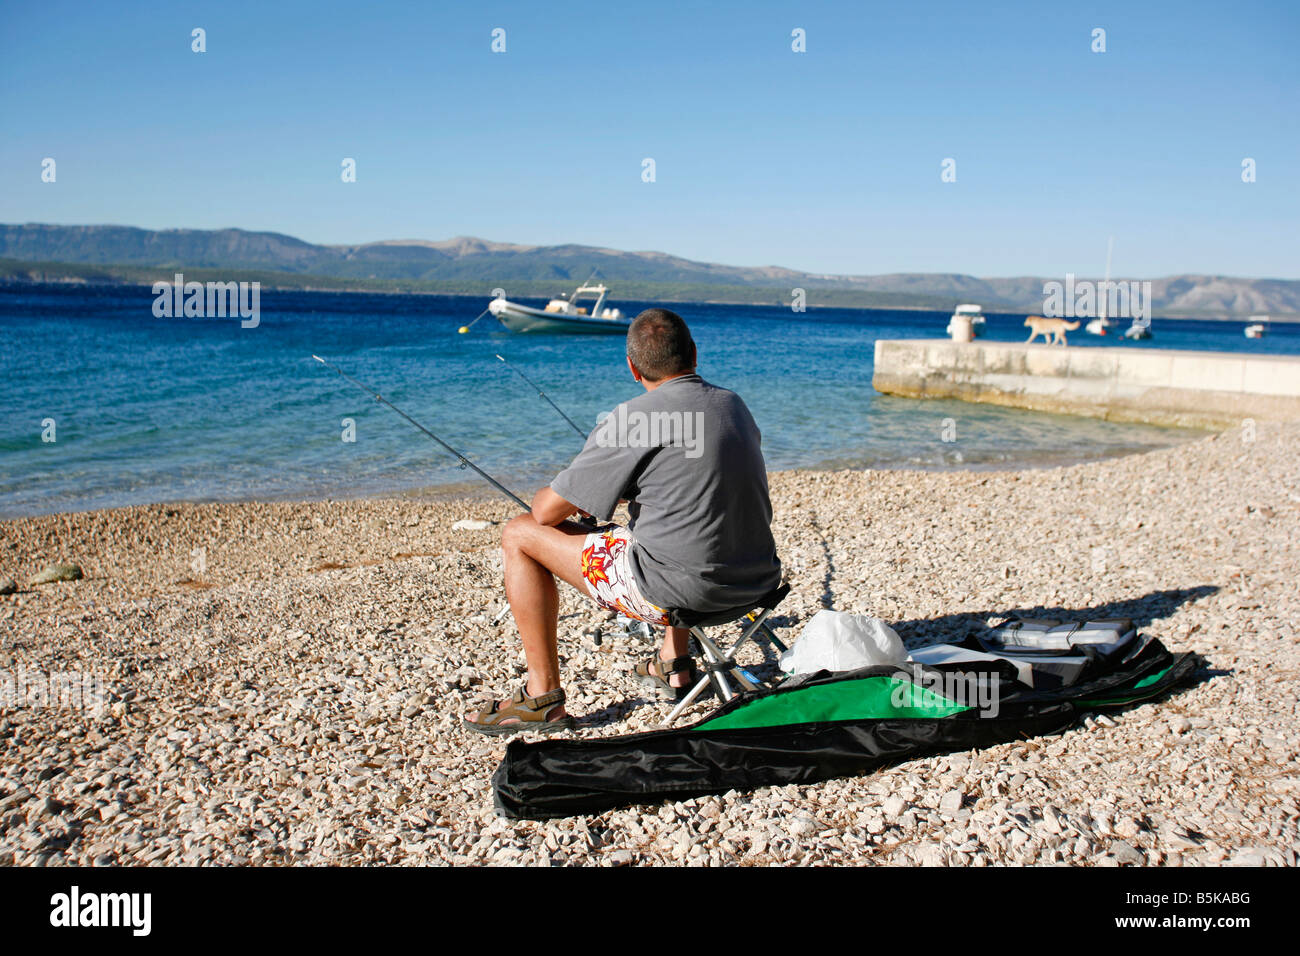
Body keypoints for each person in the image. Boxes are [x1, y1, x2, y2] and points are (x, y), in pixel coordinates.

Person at [464, 308, 782, 735]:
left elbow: (545, 512)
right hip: (756, 583)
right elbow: (690, 480)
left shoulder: (632, 419)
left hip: (684, 593)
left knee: (519, 533)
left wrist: (574, 494)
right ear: (693, 353)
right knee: (665, 525)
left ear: (633, 368)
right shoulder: (733, 404)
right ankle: (674, 665)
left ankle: (541, 697)